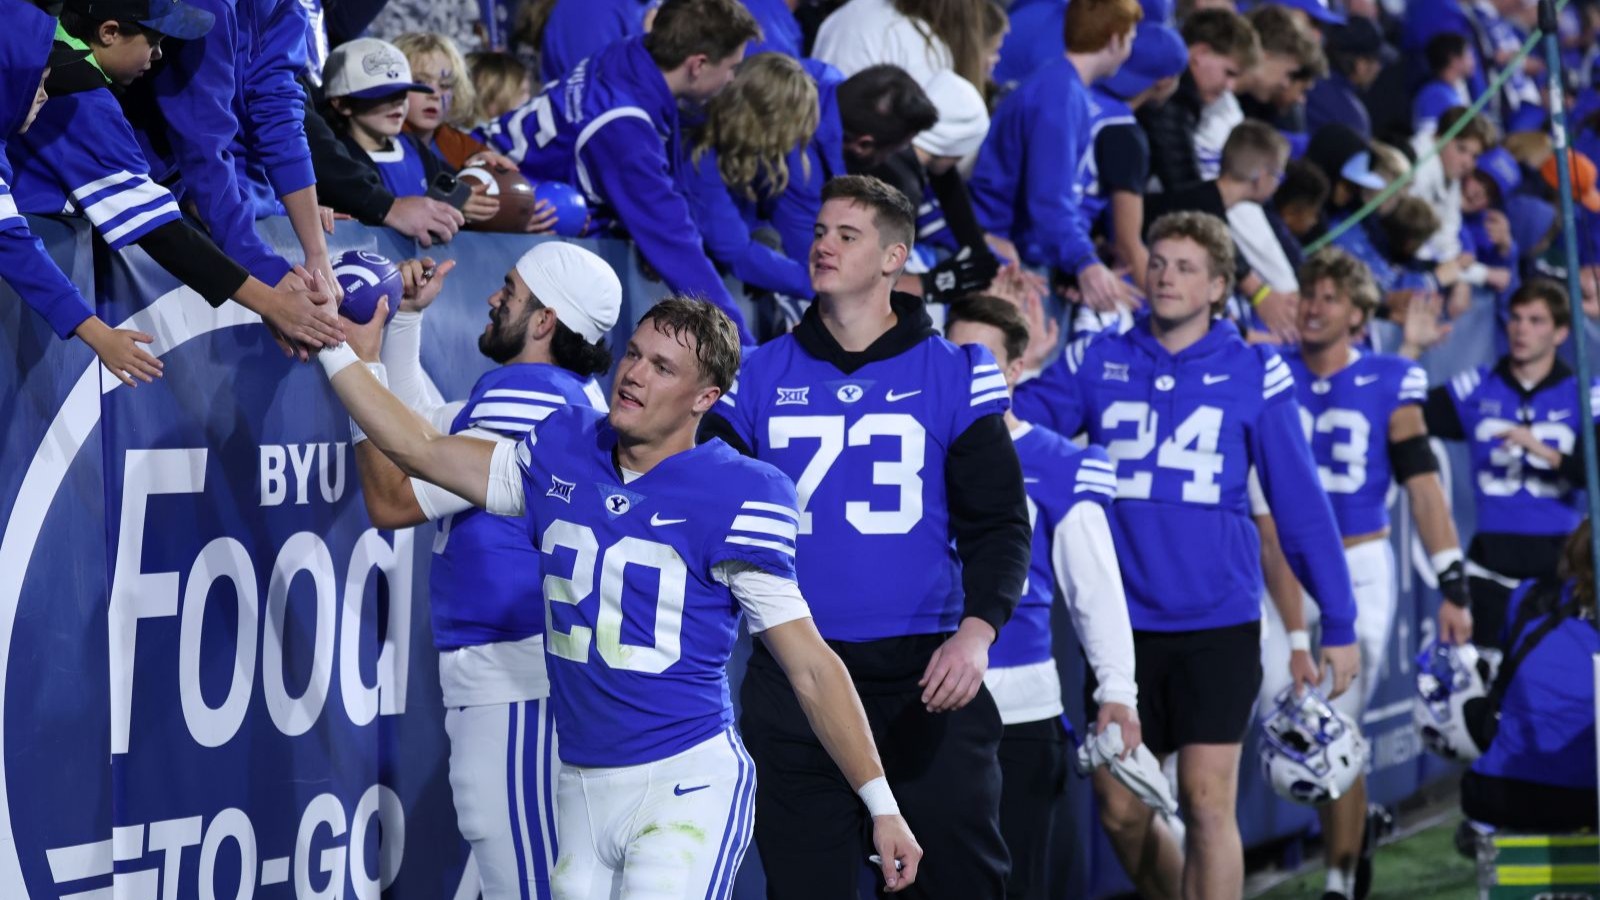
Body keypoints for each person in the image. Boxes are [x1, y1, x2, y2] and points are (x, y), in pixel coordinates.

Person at [318, 295, 924, 898]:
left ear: (704, 398)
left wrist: (881, 804)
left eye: (662, 367)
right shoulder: (562, 447)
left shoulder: (739, 493)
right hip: (580, 786)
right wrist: (333, 343)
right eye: (633, 354)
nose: (633, 373)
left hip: (683, 781)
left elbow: (811, 667)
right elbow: (419, 450)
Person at [700, 174, 1032, 899]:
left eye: (847, 235)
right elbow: (703, 502)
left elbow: (1000, 522)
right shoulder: (757, 375)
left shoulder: (954, 372)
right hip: (795, 671)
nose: (823, 245)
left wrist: (977, 633)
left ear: (893, 258)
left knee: (958, 884)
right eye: (820, 232)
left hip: (922, 676)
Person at [1012, 211, 1357, 900]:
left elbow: (1299, 504)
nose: (1166, 277)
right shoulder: (1096, 359)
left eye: (1186, 267)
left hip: (1217, 621)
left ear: (1219, 286)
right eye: (1159, 262)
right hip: (1120, 627)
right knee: (1120, 808)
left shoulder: (1254, 370)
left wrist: (1338, 620)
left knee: (1206, 801)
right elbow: (1008, 427)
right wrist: (1015, 360)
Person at [340, 243, 616, 899]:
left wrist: (355, 361)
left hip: (516, 684)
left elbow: (395, 496)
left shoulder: (528, 402)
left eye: (510, 290)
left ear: (545, 320)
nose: (494, 299)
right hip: (530, 677)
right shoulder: (566, 395)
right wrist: (404, 324)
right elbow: (423, 436)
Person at [1256, 247, 1472, 900]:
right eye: (1308, 294)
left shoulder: (1389, 378)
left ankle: (1339, 880)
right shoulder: (1269, 369)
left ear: (1358, 314)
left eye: (1330, 297)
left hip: (1357, 563)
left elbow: (1423, 487)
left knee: (1331, 726)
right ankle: (1353, 839)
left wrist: (1452, 582)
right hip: (1280, 569)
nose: (1314, 307)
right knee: (1289, 721)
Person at [9, 1, 342, 362]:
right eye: (153, 41)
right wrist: (271, 302)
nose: (159, 55)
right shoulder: (78, 100)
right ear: (109, 32)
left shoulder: (46, 46)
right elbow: (161, 233)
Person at [945, 294, 1139, 900]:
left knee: (1016, 884)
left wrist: (1117, 689)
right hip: (923, 698)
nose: (964, 371)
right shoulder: (911, 447)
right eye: (952, 355)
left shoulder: (1056, 462)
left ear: (1015, 370)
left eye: (980, 359)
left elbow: (1095, 591)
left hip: (1020, 708)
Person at [476, 0, 762, 345]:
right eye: (732, 67)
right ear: (698, 64)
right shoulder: (623, 129)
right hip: (492, 200)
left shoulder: (631, 53)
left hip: (503, 166)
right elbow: (676, 246)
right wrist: (743, 347)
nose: (732, 78)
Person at [1416, 280, 1600, 650]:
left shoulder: (1584, 393)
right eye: (1515, 318)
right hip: (1489, 564)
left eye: (1536, 320)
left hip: (1557, 565)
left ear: (1561, 332)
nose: (1521, 329)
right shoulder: (1477, 386)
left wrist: (1543, 451)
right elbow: (1404, 417)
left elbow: (1593, 472)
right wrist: (1411, 349)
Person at [141, 0, 343, 303]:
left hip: (223, 197)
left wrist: (316, 252)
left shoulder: (287, 8)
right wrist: (259, 264)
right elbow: (200, 132)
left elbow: (279, 112)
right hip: (153, 188)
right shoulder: (208, 4)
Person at [969, 0, 1143, 313]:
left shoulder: (1062, 85)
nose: (1130, 49)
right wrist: (1084, 262)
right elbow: (1049, 201)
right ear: (1115, 38)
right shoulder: (1058, 94)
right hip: (1003, 258)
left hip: (1022, 253)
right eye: (1130, 38)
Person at [1461, 519, 1600, 832]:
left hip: (1495, 790)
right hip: (1584, 800)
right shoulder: (1530, 599)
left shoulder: (1528, 597)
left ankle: (1482, 829)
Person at [686, 52, 818, 302]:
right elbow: (734, 250)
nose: (789, 143)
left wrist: (764, 235)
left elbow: (745, 225)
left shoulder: (737, 151)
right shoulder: (697, 153)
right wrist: (820, 285)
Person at [1085, 21, 1189, 297]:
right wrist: (1161, 303)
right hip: (1055, 261)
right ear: (1165, 81)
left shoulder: (1076, 91)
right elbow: (1127, 245)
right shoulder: (1125, 134)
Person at [1138, 9, 1260, 194]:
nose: (1229, 87)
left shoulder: (1185, 99)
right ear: (1200, 53)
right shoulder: (1173, 99)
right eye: (1228, 73)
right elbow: (1183, 187)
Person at [1305, 16, 1384, 139]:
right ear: (1361, 65)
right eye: (1377, 61)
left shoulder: (1301, 81)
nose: (1379, 68)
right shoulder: (1353, 117)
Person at [1414, 33, 1474, 140]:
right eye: (1468, 56)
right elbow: (1429, 139)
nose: (1472, 61)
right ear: (1454, 60)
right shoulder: (1434, 95)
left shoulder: (1453, 91)